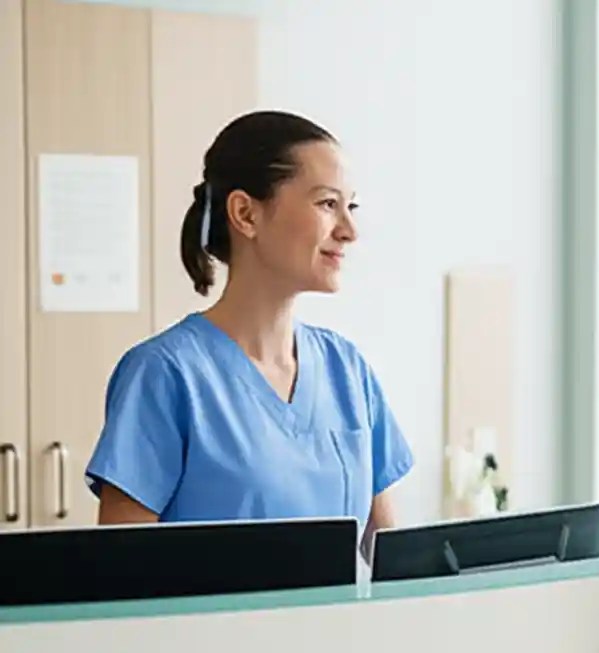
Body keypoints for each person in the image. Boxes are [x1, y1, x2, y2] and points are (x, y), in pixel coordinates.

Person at [85, 110, 414, 558]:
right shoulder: (165, 375)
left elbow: (390, 561)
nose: (349, 230)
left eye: (350, 206)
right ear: (245, 213)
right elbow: (118, 575)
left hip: (339, 630)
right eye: (326, 204)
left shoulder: (348, 370)